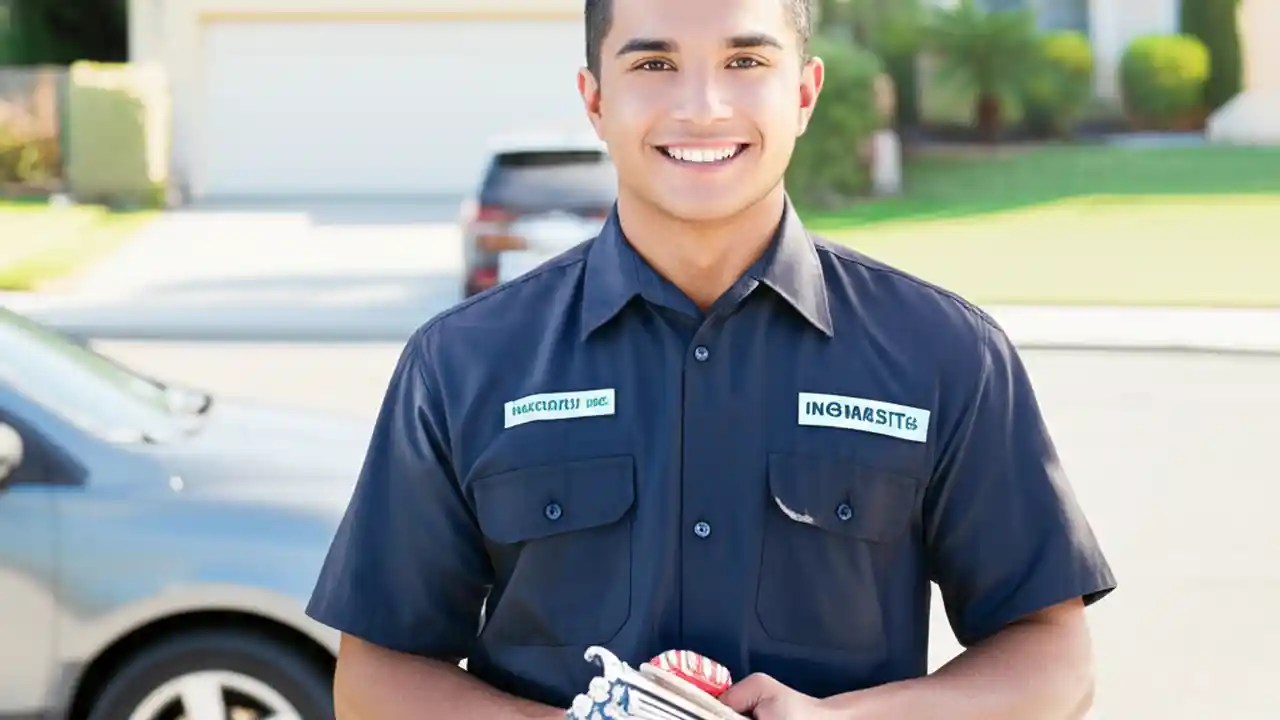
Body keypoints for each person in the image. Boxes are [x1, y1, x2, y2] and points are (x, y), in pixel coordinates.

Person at [305, 0, 1117, 717]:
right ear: (595, 100)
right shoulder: (462, 365)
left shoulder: (945, 355)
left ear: (804, 93)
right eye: (654, 63)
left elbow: (1052, 658)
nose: (702, 105)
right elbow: (378, 672)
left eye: (746, 61)